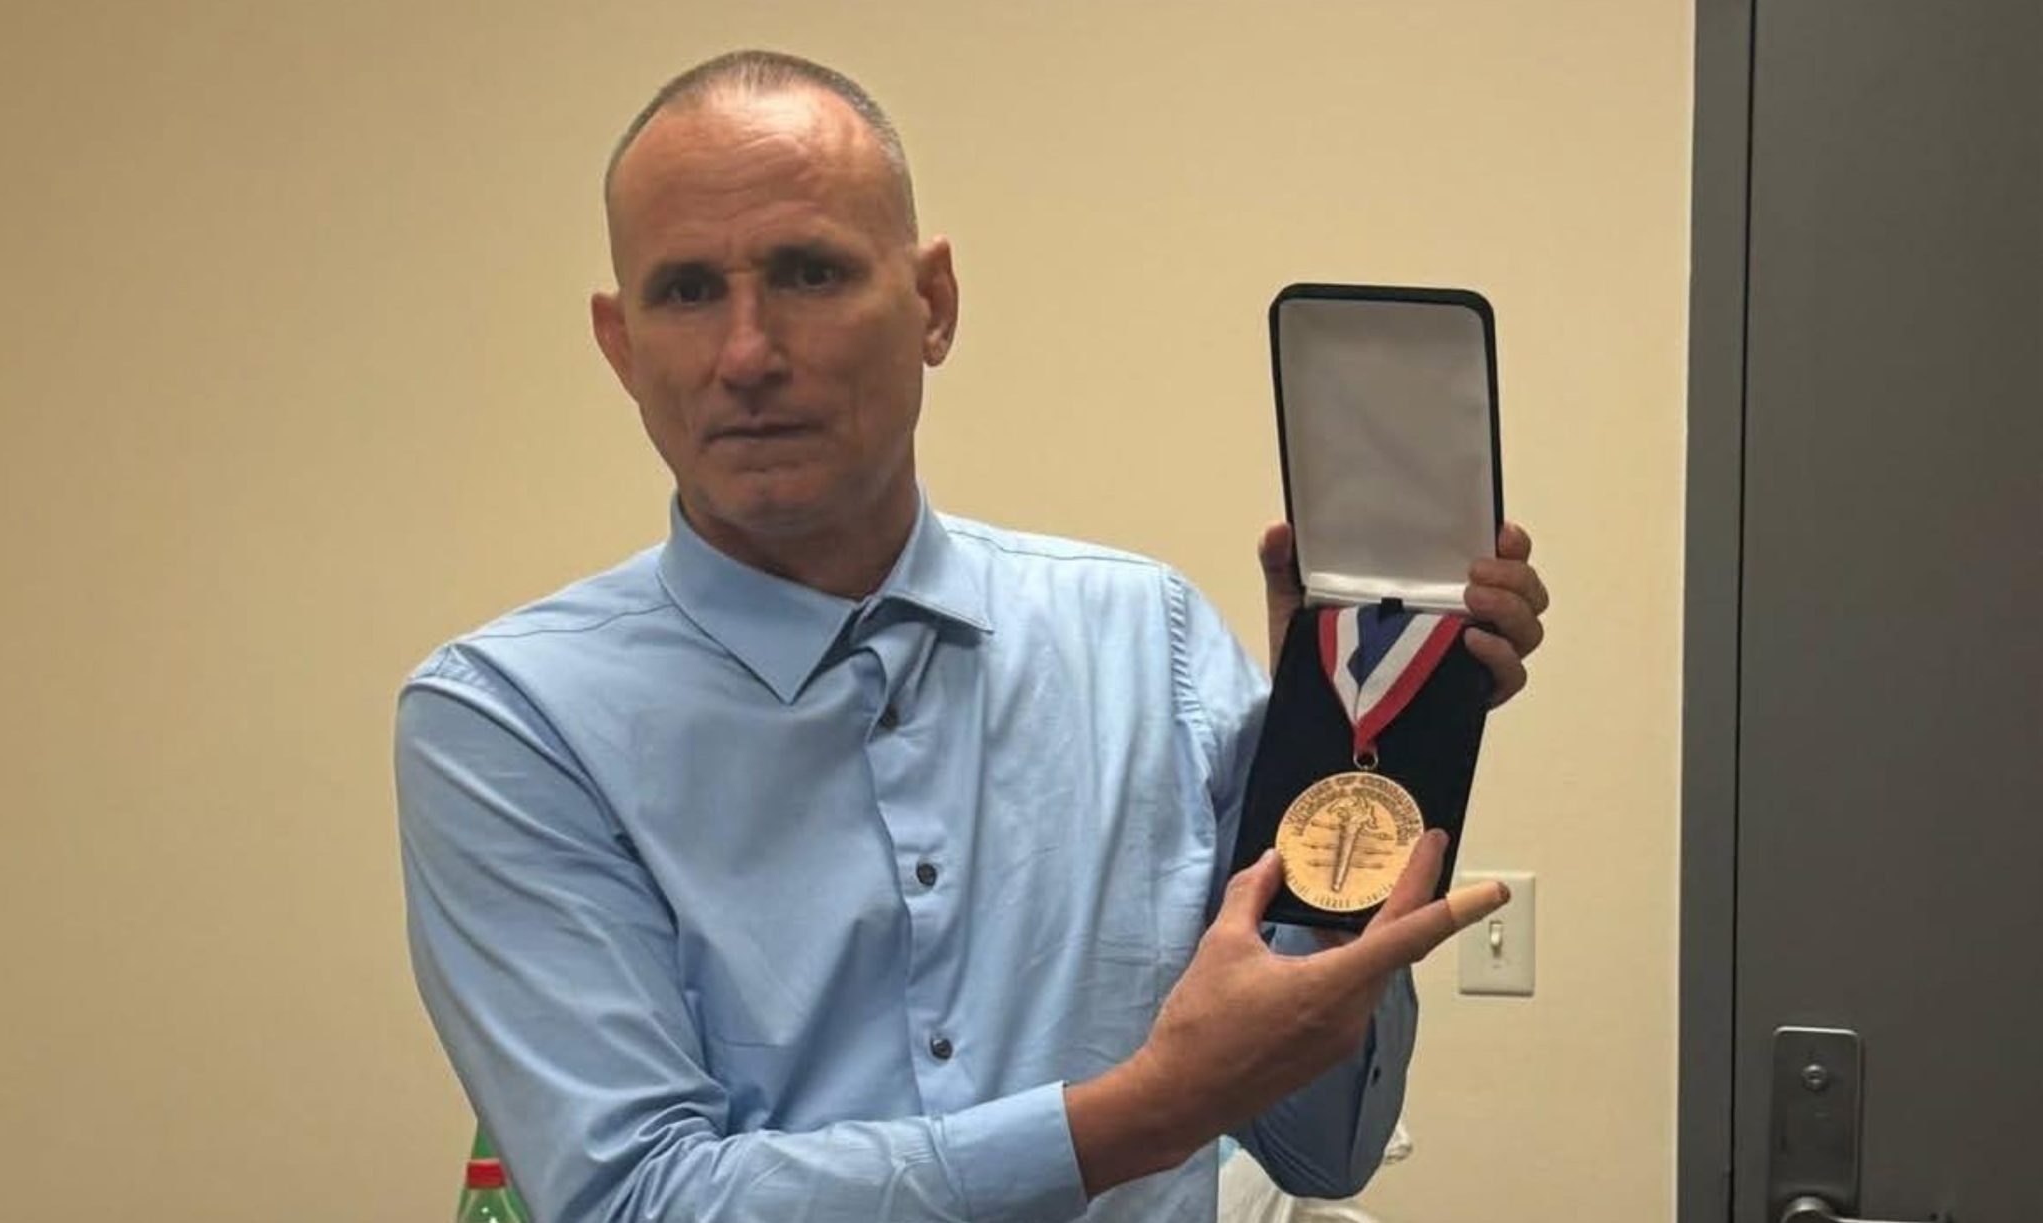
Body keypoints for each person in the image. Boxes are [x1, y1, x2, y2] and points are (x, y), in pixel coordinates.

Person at [396, 49, 1549, 1223]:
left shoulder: (1143, 641)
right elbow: (634, 1201)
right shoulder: (508, 719)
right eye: (686, 291)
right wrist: (1141, 1109)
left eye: (807, 273)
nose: (744, 354)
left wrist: (1341, 749)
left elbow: (1320, 1147)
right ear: (619, 342)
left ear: (932, 303)